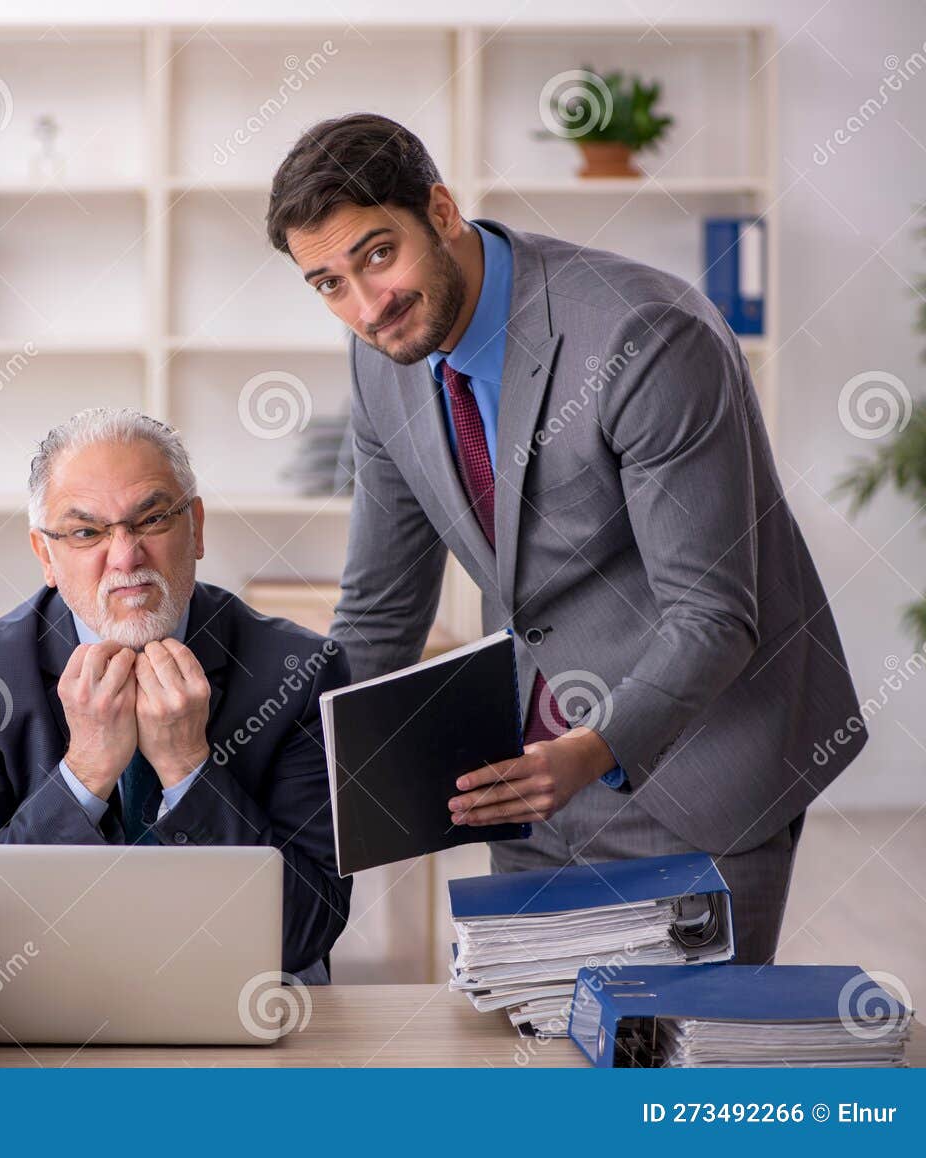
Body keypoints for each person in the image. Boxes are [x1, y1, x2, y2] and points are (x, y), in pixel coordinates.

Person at [265, 113, 866, 964]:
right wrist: (305, 775)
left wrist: (591, 752)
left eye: (378, 254)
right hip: (530, 786)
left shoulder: (643, 334)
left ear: (440, 211)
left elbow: (713, 618)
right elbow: (378, 612)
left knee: (671, 1040)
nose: (367, 306)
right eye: (329, 283)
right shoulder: (381, 363)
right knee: (531, 1028)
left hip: (699, 766)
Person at [0, 408, 351, 981]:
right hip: (43, 988)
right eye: (86, 532)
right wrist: (84, 773)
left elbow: (305, 931)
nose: (125, 557)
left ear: (196, 528)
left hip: (238, 990)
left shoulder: (299, 671)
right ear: (45, 555)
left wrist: (188, 767)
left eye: (152, 519)